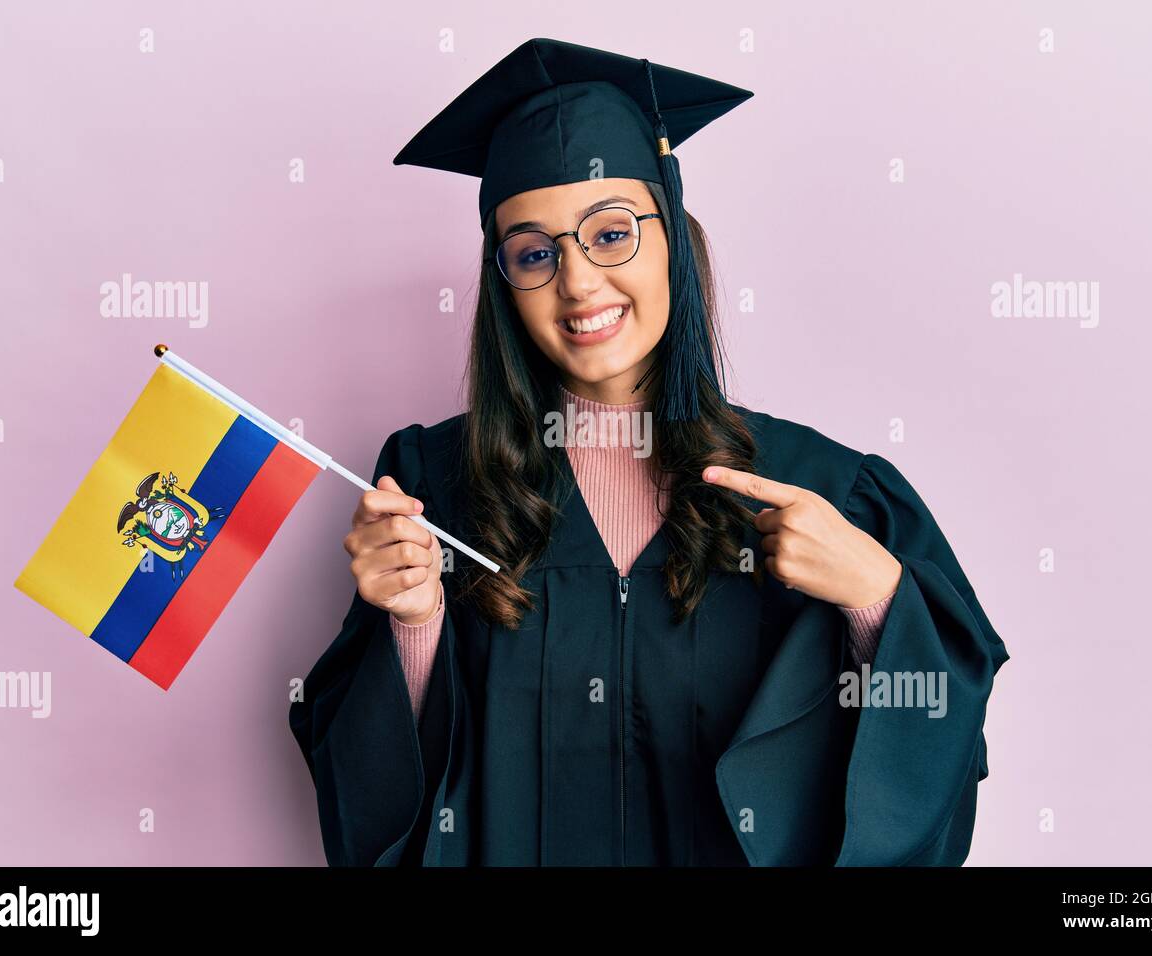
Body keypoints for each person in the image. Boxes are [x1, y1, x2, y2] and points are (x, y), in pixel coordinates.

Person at [288, 37, 1009, 866]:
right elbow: (362, 791)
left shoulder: (822, 489)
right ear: (502, 285)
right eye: (534, 252)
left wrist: (879, 603)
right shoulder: (434, 492)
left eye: (611, 232)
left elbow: (943, 747)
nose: (580, 282)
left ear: (673, 236)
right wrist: (411, 629)